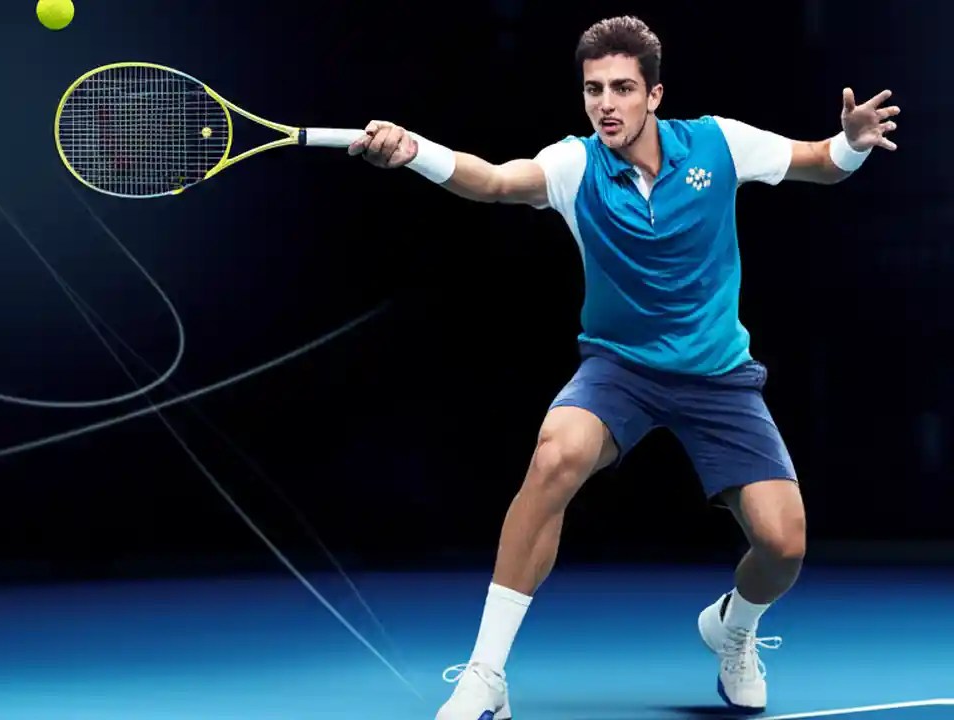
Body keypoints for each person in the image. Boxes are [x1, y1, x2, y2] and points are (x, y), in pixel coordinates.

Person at [346, 14, 899, 719]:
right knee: (554, 456)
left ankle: (733, 630)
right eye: (593, 89)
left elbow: (819, 161)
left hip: (717, 374)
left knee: (784, 546)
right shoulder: (577, 166)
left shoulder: (719, 144)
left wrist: (851, 145)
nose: (606, 103)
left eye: (622, 88)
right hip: (620, 369)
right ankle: (486, 675)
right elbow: (491, 181)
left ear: (655, 95)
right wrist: (414, 149)